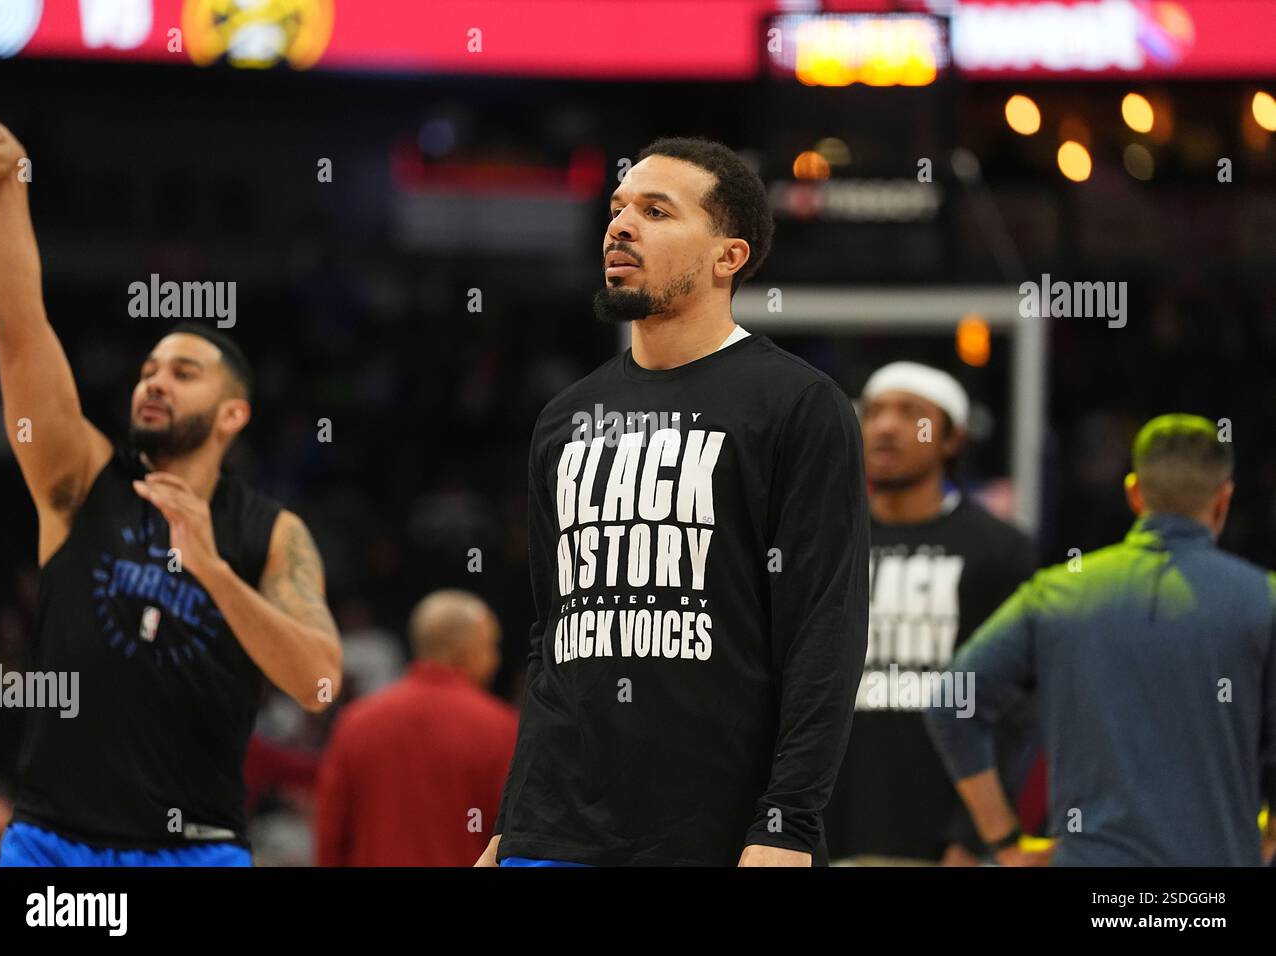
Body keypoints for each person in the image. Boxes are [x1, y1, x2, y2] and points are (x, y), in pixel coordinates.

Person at [475, 137, 869, 867]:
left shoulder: (798, 404)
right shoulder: (565, 417)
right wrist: (511, 822)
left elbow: (826, 632)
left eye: (656, 211)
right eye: (619, 208)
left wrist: (788, 822)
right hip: (551, 830)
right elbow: (552, 637)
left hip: (712, 833)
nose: (620, 226)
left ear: (729, 256)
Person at [0, 117, 342, 866]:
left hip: (196, 852)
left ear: (233, 414)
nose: (155, 380)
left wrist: (211, 569)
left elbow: (320, 685)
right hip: (54, 845)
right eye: (150, 368)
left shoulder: (271, 533)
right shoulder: (83, 480)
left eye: (183, 372)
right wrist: (10, 188)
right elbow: (20, 334)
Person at [926, 414, 1276, 866]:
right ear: (1223, 499)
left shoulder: (1059, 592)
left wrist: (1004, 841)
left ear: (1134, 492)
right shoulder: (1262, 599)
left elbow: (952, 701)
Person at [824, 362, 1041, 865]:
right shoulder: (822, 542)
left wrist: (973, 837)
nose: (886, 426)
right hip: (828, 834)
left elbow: (1017, 710)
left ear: (951, 439)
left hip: (946, 843)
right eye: (874, 412)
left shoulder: (1000, 551)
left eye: (911, 413)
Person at [314, 589, 517, 866]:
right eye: (491, 646)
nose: (495, 659)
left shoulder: (356, 722)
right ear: (468, 651)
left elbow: (330, 834)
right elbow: (513, 837)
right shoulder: (501, 727)